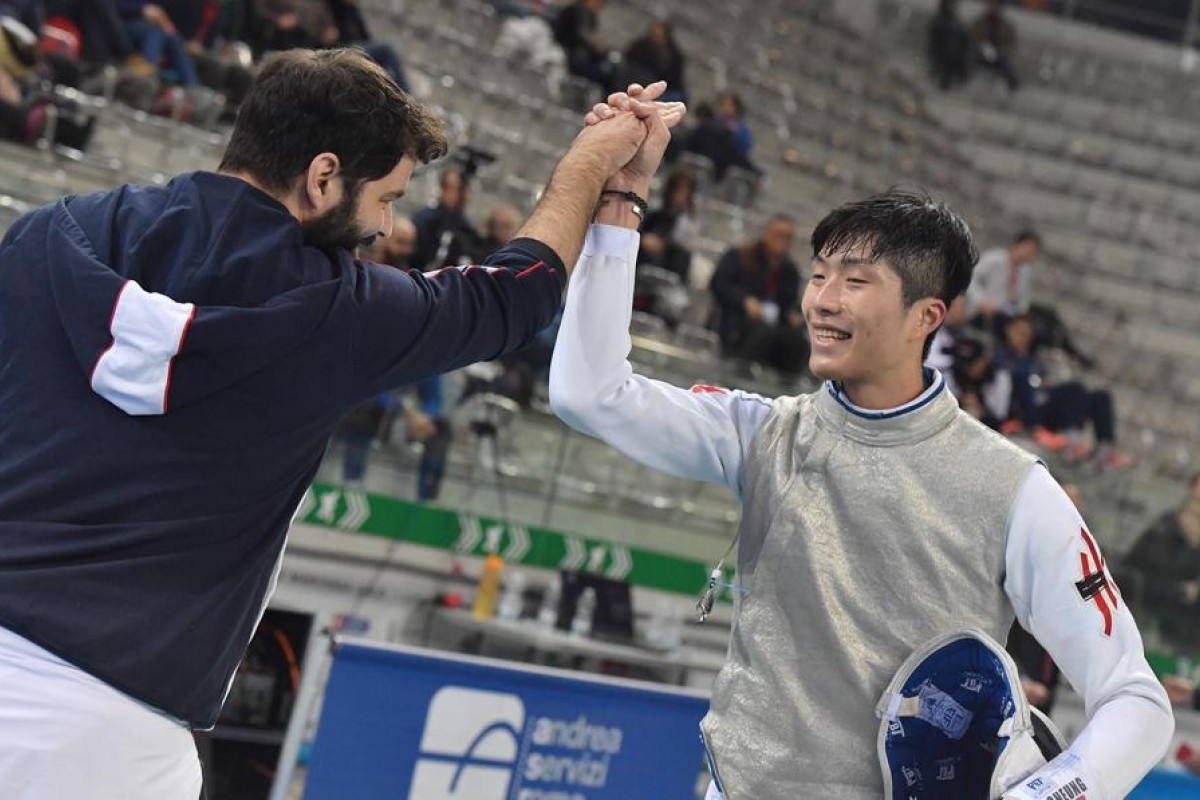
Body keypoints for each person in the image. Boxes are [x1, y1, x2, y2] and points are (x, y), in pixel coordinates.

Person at [0, 47, 681, 798]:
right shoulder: (340, 314)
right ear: (323, 177)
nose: (388, 227)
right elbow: (514, 295)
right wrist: (592, 161)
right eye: (387, 197)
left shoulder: (45, 238)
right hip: (108, 738)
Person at [551, 92, 1172, 797]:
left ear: (925, 316)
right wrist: (621, 204)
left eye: (855, 280)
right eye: (819, 274)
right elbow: (588, 393)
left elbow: (1136, 700)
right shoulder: (763, 434)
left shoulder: (1013, 488)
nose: (823, 299)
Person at [709, 215, 808, 375]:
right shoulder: (739, 256)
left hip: (774, 328)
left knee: (797, 340)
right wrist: (744, 300)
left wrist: (793, 316)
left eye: (787, 237)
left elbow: (788, 304)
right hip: (739, 321)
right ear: (766, 233)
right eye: (778, 234)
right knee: (761, 332)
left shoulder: (790, 271)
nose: (782, 240)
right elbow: (719, 283)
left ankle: (786, 386)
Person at [1119, 471, 1200, 651]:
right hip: (1140, 613)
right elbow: (1144, 576)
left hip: (1177, 627)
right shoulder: (1163, 532)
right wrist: (1180, 590)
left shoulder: (1193, 547)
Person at [411, 164, 484, 270]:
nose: (463, 196)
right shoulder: (424, 220)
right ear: (443, 190)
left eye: (466, 190)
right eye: (455, 189)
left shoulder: (468, 229)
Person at [966, 229, 1040, 333]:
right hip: (986, 311)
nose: (1029, 255)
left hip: (1008, 314)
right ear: (1017, 244)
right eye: (1028, 250)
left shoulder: (1025, 271)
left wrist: (1021, 316)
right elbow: (970, 278)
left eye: (1032, 252)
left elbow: (1024, 299)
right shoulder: (995, 259)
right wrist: (980, 300)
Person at [623, 20, 686, 103]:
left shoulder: (673, 53)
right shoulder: (641, 45)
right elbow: (629, 58)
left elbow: (674, 77)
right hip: (642, 81)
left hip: (667, 88)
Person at [971, 0, 1019, 91]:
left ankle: (1012, 86)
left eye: (995, 5)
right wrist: (982, 47)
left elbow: (1012, 45)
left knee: (1007, 64)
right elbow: (972, 38)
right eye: (991, 4)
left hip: (999, 57)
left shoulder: (1007, 27)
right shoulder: (979, 22)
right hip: (980, 55)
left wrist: (999, 52)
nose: (993, 8)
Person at [928, 0, 971, 90]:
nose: (953, 7)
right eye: (951, 4)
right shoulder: (939, 19)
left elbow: (965, 38)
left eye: (954, 4)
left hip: (955, 54)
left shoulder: (956, 21)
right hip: (940, 52)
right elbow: (934, 40)